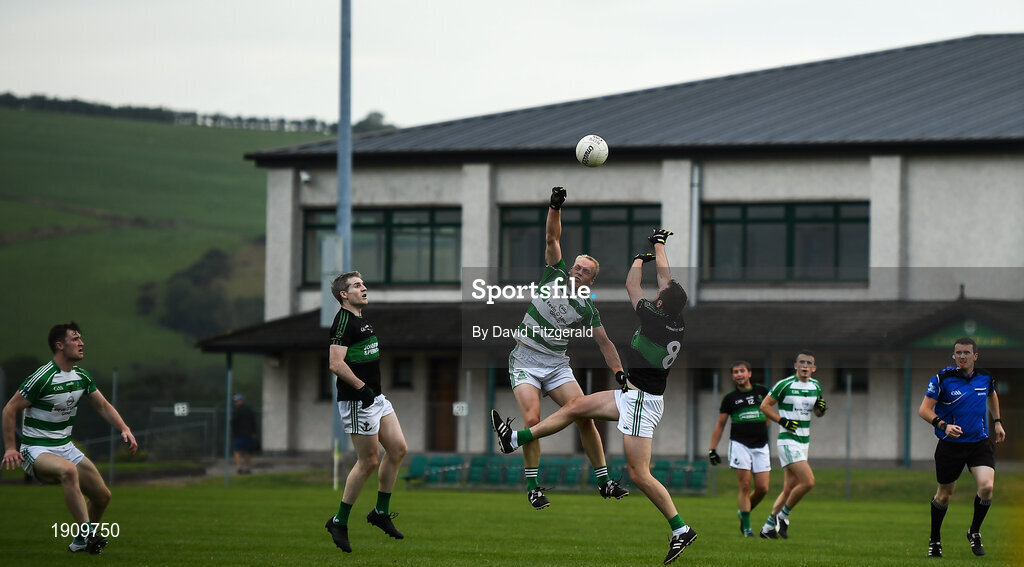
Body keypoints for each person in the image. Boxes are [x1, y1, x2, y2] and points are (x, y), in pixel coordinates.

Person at [493, 229, 698, 565]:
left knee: (639, 474)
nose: (658, 290)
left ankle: (680, 529)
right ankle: (516, 439)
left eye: (660, 293)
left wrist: (636, 260)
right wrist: (659, 245)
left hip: (641, 401)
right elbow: (666, 280)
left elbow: (634, 286)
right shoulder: (673, 318)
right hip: (632, 392)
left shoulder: (651, 317)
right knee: (577, 407)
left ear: (659, 304)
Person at [504, 186, 629, 510]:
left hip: (557, 365)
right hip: (525, 360)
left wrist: (618, 373)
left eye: (584, 270)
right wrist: (554, 208)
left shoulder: (588, 307)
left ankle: (603, 481)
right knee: (532, 419)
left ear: (590, 280)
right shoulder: (553, 274)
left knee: (584, 415)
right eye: (576, 265)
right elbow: (551, 239)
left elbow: (604, 342)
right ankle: (533, 487)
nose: (577, 270)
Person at [1, 321, 138, 554]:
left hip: (64, 447)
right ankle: (89, 534)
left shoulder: (82, 377)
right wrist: (11, 448)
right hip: (36, 449)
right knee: (69, 471)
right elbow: (9, 409)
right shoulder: (42, 378)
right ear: (60, 345)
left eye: (81, 338)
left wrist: (124, 427)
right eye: (75, 338)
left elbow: (103, 406)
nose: (81, 343)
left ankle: (80, 543)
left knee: (102, 497)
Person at [324, 271, 408, 553]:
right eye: (357, 286)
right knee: (369, 461)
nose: (364, 288)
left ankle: (380, 513)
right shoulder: (343, 321)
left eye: (363, 284)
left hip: (376, 398)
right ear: (343, 295)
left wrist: (372, 393)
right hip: (357, 401)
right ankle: (339, 521)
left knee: (397, 449)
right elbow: (336, 363)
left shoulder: (361, 318)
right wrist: (363, 390)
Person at [917, 337, 1004, 558]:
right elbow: (924, 410)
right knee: (944, 496)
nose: (962, 356)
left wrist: (997, 422)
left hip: (979, 443)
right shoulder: (942, 378)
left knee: (986, 487)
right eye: (958, 353)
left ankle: (974, 532)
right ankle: (935, 540)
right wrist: (943, 426)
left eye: (966, 353)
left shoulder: (985, 377)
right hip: (951, 446)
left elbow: (992, 395)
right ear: (953, 355)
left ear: (975, 356)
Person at [757, 350, 826, 540]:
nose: (804, 366)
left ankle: (768, 527)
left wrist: (821, 409)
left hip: (804, 442)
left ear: (814, 368)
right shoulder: (785, 384)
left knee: (789, 488)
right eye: (801, 363)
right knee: (808, 481)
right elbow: (764, 406)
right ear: (796, 366)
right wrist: (782, 421)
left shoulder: (816, 386)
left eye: (808, 363)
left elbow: (818, 413)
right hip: (788, 441)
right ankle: (783, 516)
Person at [707, 360, 771, 537]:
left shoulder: (762, 392)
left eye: (742, 371)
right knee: (744, 485)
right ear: (733, 376)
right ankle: (747, 528)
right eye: (735, 372)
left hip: (761, 444)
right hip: (739, 444)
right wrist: (712, 449)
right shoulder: (730, 398)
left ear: (749, 373)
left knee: (763, 488)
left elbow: (769, 414)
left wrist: (761, 428)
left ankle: (743, 512)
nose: (739, 374)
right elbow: (720, 425)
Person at [231, 393, 256, 474]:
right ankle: (248, 468)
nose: (235, 403)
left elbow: (233, 421)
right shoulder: (249, 409)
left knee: (237, 451)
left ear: (240, 401)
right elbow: (253, 422)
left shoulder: (236, 411)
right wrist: (254, 432)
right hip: (248, 434)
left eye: (236, 401)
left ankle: (240, 467)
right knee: (247, 451)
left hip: (239, 434)